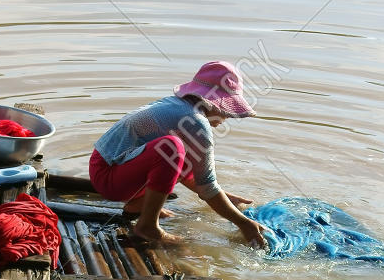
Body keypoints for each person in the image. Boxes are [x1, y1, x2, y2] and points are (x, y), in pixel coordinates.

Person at [88, 61, 267, 248]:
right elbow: (208, 187)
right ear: (213, 102)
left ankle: (137, 205)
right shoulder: (197, 122)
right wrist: (245, 224)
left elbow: (195, 176)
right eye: (227, 109)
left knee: (187, 154)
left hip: (106, 166)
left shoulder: (179, 106)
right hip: (108, 175)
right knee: (172, 147)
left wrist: (224, 196)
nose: (228, 116)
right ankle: (148, 226)